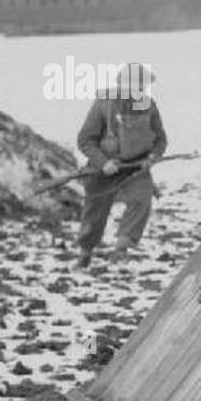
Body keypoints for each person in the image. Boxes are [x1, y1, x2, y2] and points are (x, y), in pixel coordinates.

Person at [75, 63, 167, 268]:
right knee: (94, 213)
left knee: (142, 201)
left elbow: (160, 139)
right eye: (134, 86)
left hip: (136, 167)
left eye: (142, 86)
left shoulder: (148, 105)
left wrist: (153, 156)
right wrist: (103, 162)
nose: (138, 91)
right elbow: (85, 140)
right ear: (121, 84)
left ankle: (121, 249)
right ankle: (85, 252)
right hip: (104, 169)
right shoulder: (103, 105)